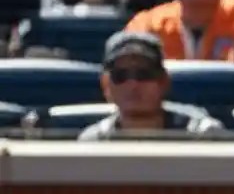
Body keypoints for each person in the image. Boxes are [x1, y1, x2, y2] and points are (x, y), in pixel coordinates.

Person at [78, 31, 224, 141]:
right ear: (106, 85)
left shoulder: (201, 136)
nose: (132, 84)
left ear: (164, 81)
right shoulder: (94, 142)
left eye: (144, 74)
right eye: (120, 76)